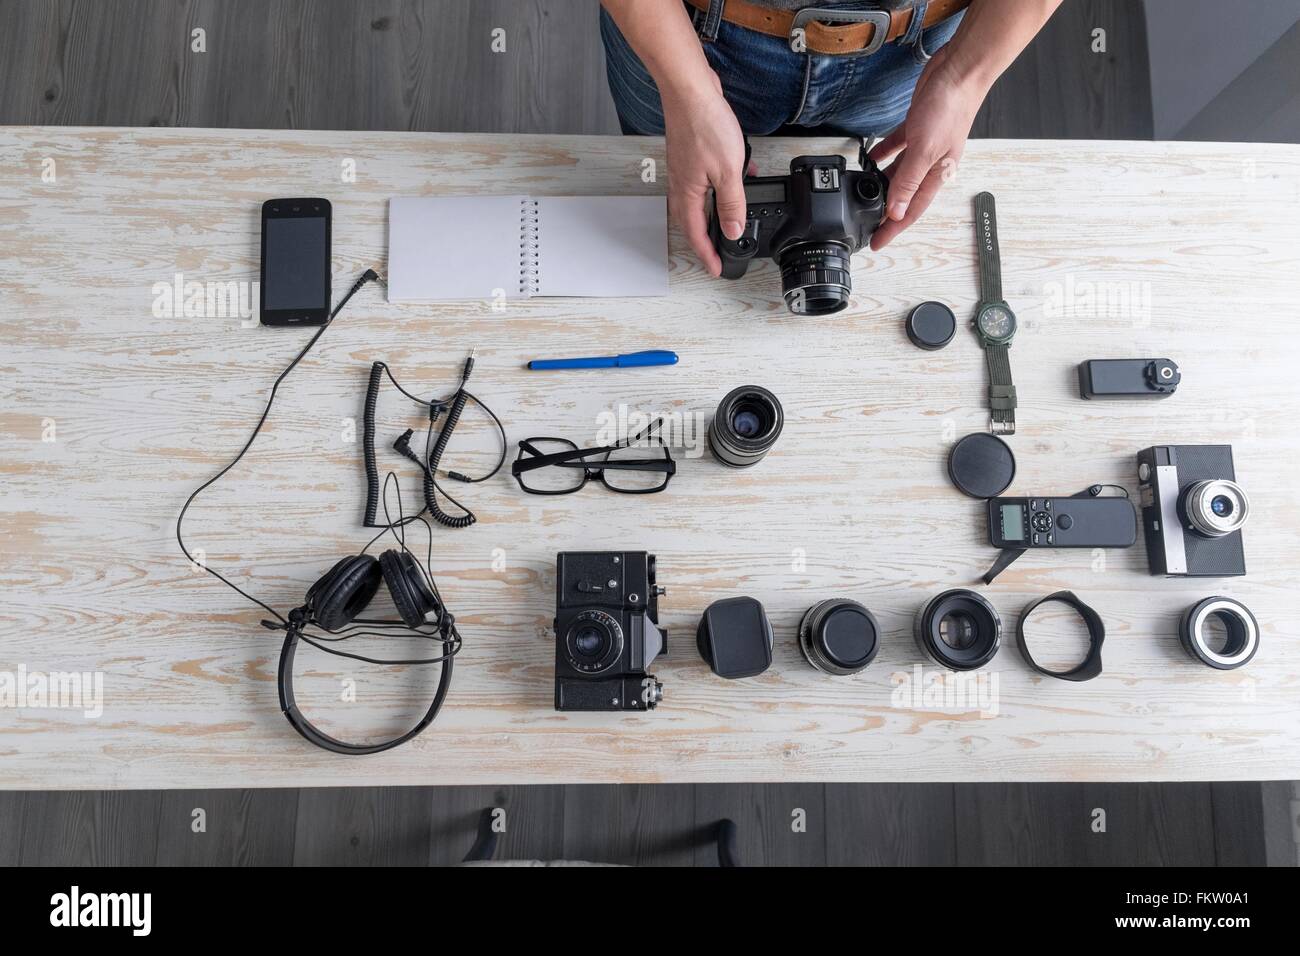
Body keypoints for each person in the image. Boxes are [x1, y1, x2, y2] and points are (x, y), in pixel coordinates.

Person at [599, 0, 1062, 275]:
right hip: (685, 30)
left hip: (907, 47)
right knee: (665, 194)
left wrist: (965, 75)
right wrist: (687, 91)